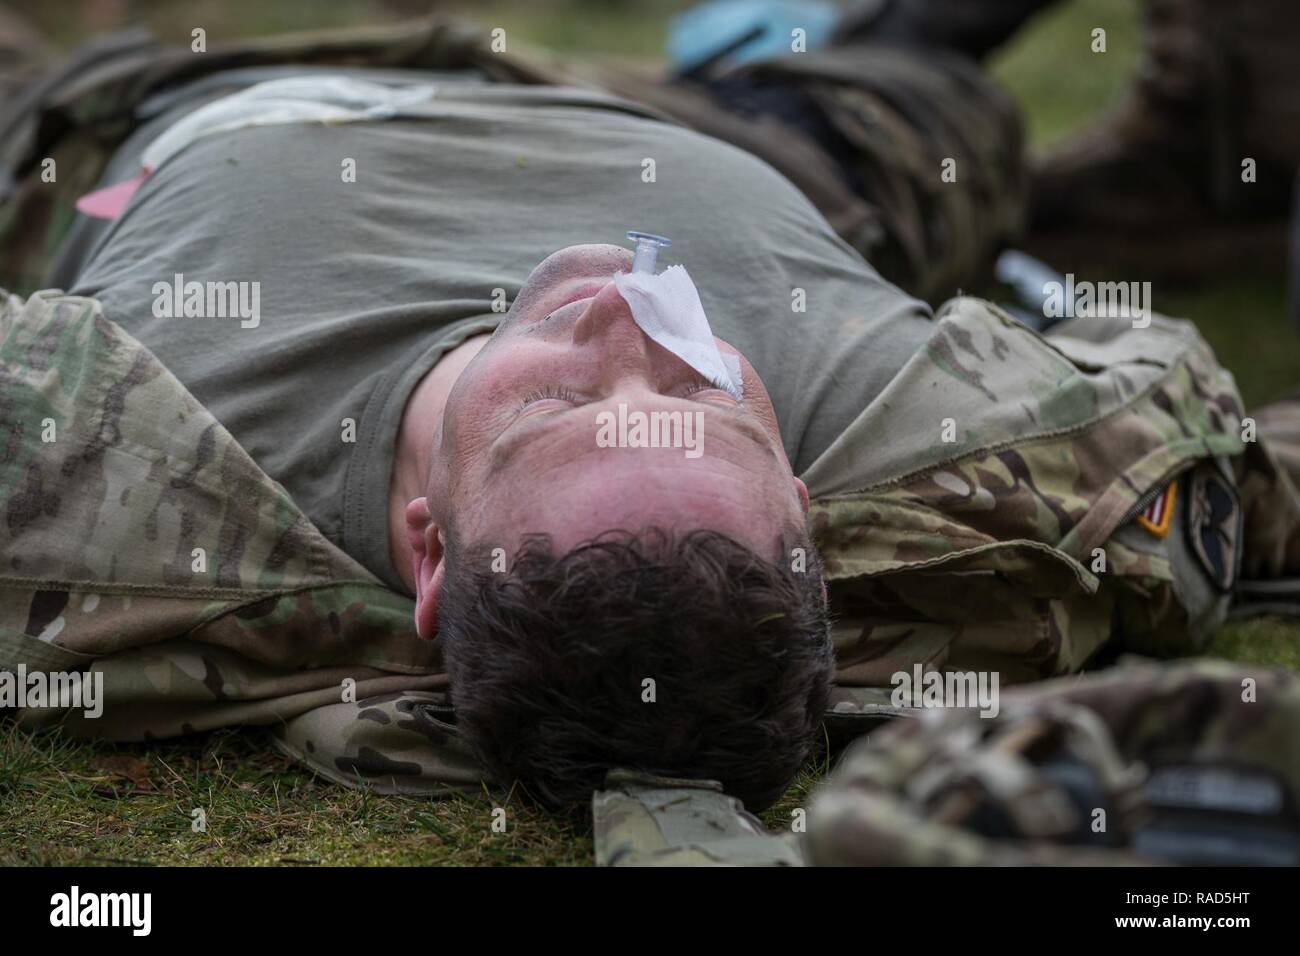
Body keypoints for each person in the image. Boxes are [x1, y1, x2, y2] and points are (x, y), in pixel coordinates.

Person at [2, 8, 1297, 810]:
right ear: (803, 501)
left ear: (430, 551)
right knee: (936, 95)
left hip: (168, 113)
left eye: (551, 408)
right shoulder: (974, 469)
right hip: (767, 137)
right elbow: (1213, 452)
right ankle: (1206, 148)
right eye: (696, 392)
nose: (623, 315)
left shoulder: (124, 463)